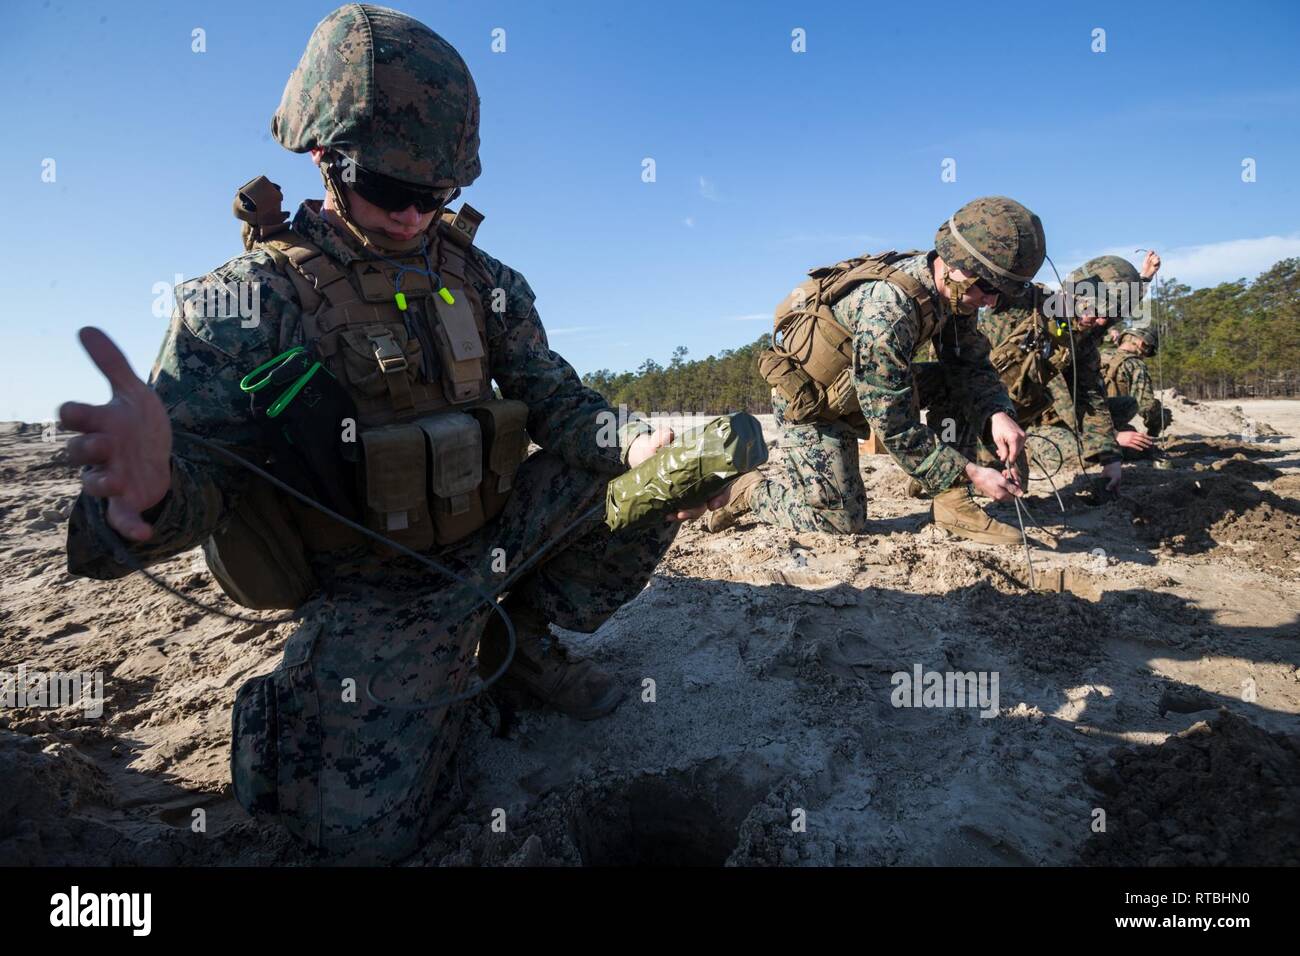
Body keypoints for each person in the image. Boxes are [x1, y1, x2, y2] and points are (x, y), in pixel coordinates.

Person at [58, 3, 722, 863]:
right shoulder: (249, 301)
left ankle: (517, 644)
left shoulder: (483, 278)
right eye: (389, 190)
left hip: (493, 539)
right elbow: (167, 506)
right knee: (361, 839)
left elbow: (555, 398)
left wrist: (632, 443)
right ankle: (320, 697)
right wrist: (143, 499)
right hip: (373, 585)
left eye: (437, 195)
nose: (414, 216)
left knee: (653, 487)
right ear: (322, 159)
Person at [708, 196, 1042, 546]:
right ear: (955, 264)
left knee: (951, 383)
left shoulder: (956, 293)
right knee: (838, 520)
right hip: (813, 406)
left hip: (860, 388)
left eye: (1001, 294)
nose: (991, 301)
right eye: (988, 287)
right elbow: (891, 421)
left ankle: (952, 503)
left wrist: (997, 415)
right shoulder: (889, 308)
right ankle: (748, 491)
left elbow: (967, 365)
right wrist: (969, 471)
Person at [981, 250, 1161, 488]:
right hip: (971, 411)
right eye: (1097, 311)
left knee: (1013, 489)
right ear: (1077, 293)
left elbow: (1089, 397)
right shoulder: (1021, 303)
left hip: (1013, 421)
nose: (1100, 322)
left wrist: (1110, 456)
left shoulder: (1079, 337)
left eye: (1107, 316)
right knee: (974, 484)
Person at [1103, 325, 1170, 454]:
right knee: (1141, 446)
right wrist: (1159, 420)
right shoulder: (1135, 364)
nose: (1145, 355)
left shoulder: (1098, 355)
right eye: (1148, 350)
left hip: (1083, 420)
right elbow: (1146, 406)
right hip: (1108, 424)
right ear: (1141, 343)